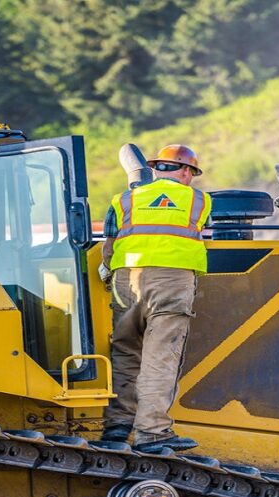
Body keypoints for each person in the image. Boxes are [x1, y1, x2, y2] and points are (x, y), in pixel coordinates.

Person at [98, 144, 212, 453]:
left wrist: (109, 270)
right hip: (171, 280)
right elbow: (199, 233)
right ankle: (152, 432)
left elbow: (108, 247)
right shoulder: (198, 200)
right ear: (187, 172)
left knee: (125, 350)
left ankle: (117, 427)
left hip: (126, 280)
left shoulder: (124, 199)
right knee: (160, 355)